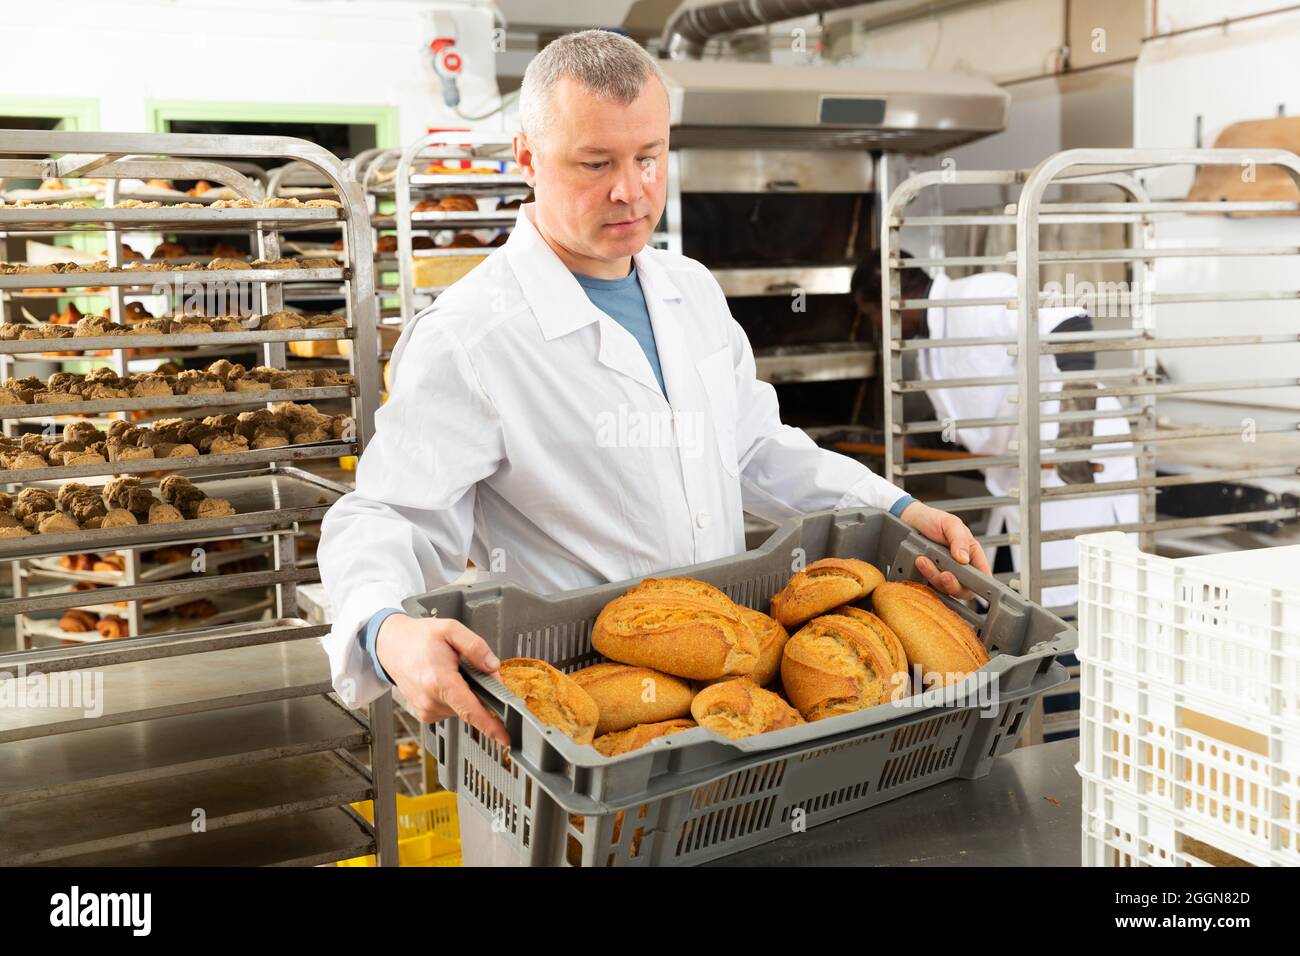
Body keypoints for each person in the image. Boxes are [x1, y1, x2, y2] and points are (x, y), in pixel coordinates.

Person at [318, 31, 991, 746]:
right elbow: (388, 513)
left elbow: (757, 448)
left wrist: (892, 505)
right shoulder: (471, 336)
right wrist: (385, 630)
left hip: (737, 695)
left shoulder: (690, 289)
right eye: (595, 163)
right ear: (526, 158)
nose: (630, 190)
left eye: (648, 158)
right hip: (585, 713)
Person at [850, 253, 1139, 609]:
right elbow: (963, 425)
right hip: (1015, 478)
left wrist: (1074, 435)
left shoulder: (979, 294)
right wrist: (905, 441)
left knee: (1081, 591)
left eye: (872, 314)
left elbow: (1071, 325)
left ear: (896, 298)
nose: (878, 326)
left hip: (1074, 457)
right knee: (1012, 590)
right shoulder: (930, 351)